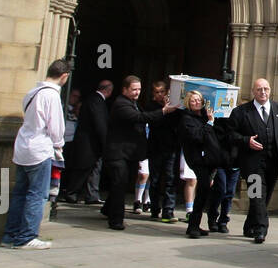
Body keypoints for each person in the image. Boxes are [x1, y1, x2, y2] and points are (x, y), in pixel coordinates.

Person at [1, 59, 71, 249]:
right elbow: (56, 128)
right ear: (65, 76)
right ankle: (26, 237)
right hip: (40, 149)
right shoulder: (51, 96)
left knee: (19, 193)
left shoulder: (32, 92)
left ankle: (10, 235)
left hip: (23, 147)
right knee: (37, 194)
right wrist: (59, 146)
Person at [174, 91, 252, 238]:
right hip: (197, 159)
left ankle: (195, 225)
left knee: (204, 192)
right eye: (193, 101)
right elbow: (198, 137)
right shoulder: (186, 119)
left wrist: (212, 121)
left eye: (198, 100)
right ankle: (193, 226)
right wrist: (210, 123)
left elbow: (214, 134)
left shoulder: (203, 116)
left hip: (208, 159)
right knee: (203, 189)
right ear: (188, 103)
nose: (196, 102)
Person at [102, 76, 176, 230]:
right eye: (133, 89)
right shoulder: (121, 104)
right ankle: (116, 220)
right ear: (124, 89)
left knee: (120, 183)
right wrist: (163, 111)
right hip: (118, 153)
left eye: (139, 89)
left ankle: (107, 209)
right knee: (119, 185)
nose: (137, 92)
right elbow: (140, 118)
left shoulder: (133, 103)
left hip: (129, 153)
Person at [229, 78, 278, 244]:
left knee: (264, 197)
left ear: (270, 90)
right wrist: (246, 140)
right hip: (252, 164)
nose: (263, 92)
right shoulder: (241, 112)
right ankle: (261, 229)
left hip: (272, 162)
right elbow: (230, 135)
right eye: (259, 89)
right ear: (253, 91)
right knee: (256, 195)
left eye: (266, 89)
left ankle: (249, 225)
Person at [61, 79, 111, 204]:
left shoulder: (93, 100)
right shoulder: (96, 101)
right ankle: (72, 193)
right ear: (108, 91)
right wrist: (105, 141)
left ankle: (91, 195)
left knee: (93, 169)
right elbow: (100, 124)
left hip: (89, 142)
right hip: (89, 143)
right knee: (83, 168)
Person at [143, 79, 179, 223]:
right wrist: (163, 110)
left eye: (162, 92)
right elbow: (152, 121)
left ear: (167, 92)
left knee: (170, 179)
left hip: (170, 148)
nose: (159, 95)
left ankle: (168, 211)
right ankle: (155, 208)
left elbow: (176, 125)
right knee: (155, 179)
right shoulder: (151, 106)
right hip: (155, 147)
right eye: (156, 92)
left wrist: (169, 109)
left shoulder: (175, 108)